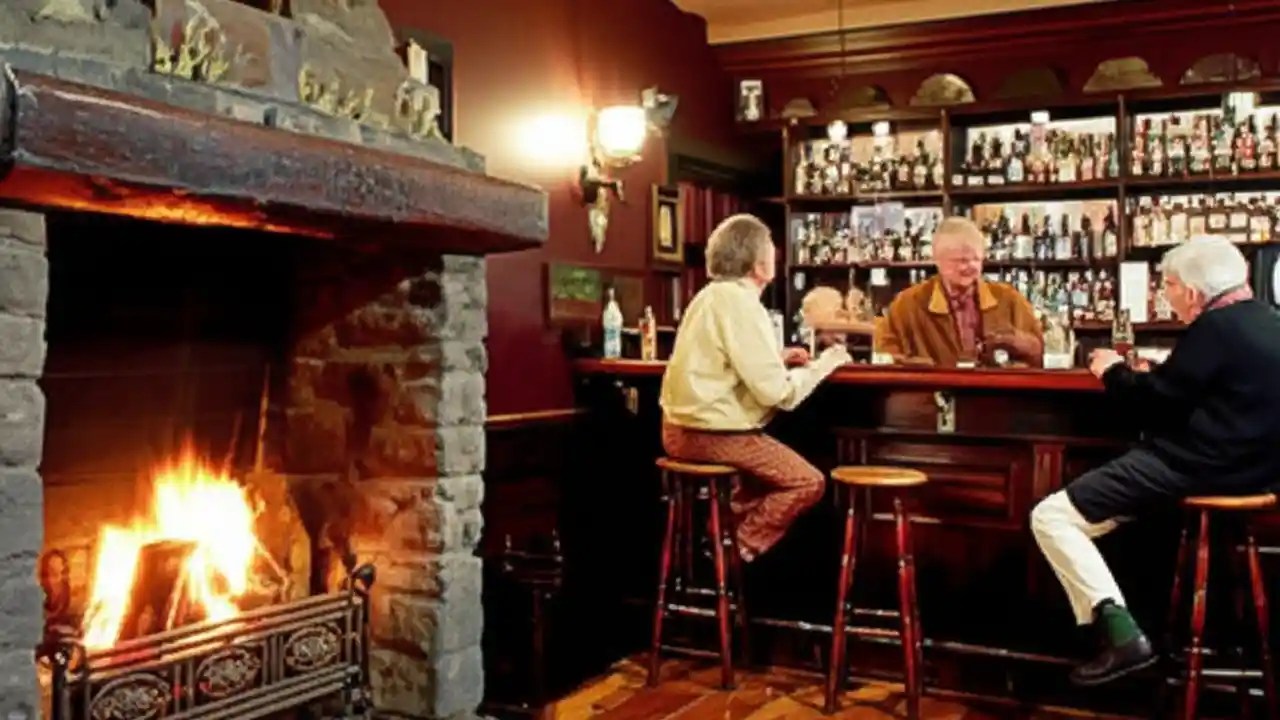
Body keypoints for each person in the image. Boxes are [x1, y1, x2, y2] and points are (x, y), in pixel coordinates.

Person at [1030, 236, 1280, 686]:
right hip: (1256, 475)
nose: (1167, 297)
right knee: (1121, 515)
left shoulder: (1215, 328)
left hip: (1197, 468)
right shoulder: (1269, 321)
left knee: (1051, 516)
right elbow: (1195, 390)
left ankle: (1122, 635)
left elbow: (1154, 406)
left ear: (1191, 290)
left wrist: (1111, 370)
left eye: (1167, 286)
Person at [660, 214, 854, 562]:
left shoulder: (708, 297)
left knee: (758, 483)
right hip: (714, 435)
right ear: (758, 262)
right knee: (807, 481)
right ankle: (732, 550)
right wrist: (829, 361)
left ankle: (719, 533)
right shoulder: (741, 303)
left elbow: (721, 363)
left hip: (677, 432)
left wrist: (775, 357)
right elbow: (780, 394)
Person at [876, 217, 1043, 366]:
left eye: (976, 259)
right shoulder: (908, 304)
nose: (970, 267)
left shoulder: (1008, 299)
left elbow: (1041, 353)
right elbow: (884, 357)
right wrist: (923, 367)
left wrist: (1015, 343)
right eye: (961, 260)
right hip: (931, 395)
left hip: (994, 395)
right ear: (937, 260)